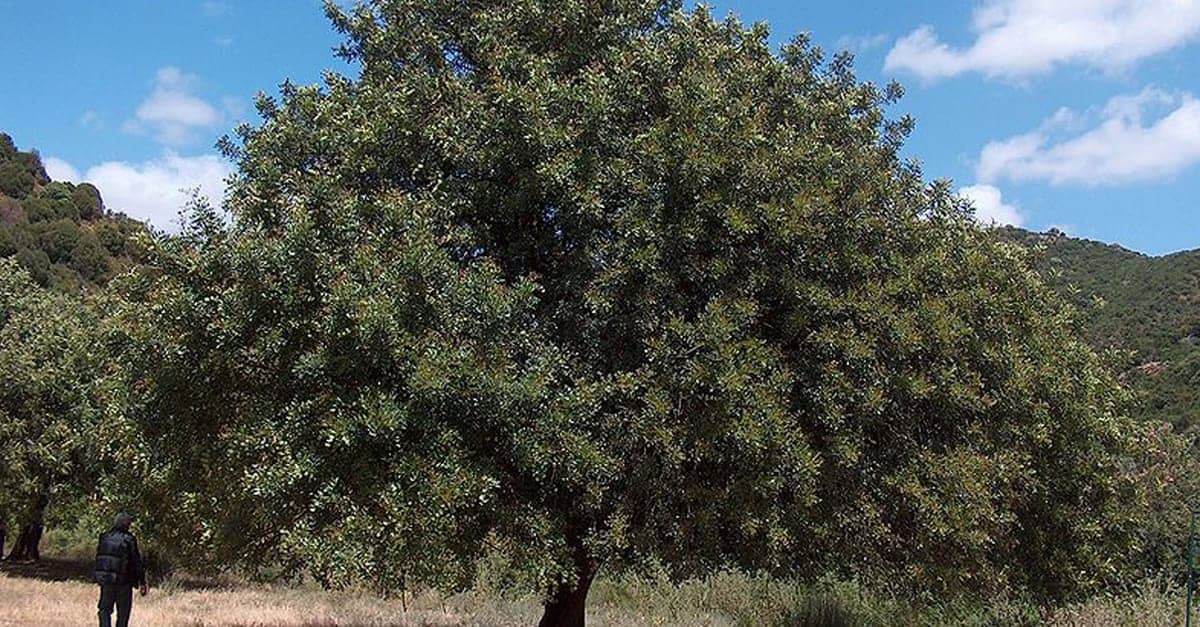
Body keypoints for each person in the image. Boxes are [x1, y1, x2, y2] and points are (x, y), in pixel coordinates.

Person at [92, 512, 148, 627]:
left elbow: (99, 558)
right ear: (126, 525)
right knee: (123, 613)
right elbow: (136, 562)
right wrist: (142, 581)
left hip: (107, 580)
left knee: (104, 609)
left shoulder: (104, 537)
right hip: (124, 582)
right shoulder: (129, 539)